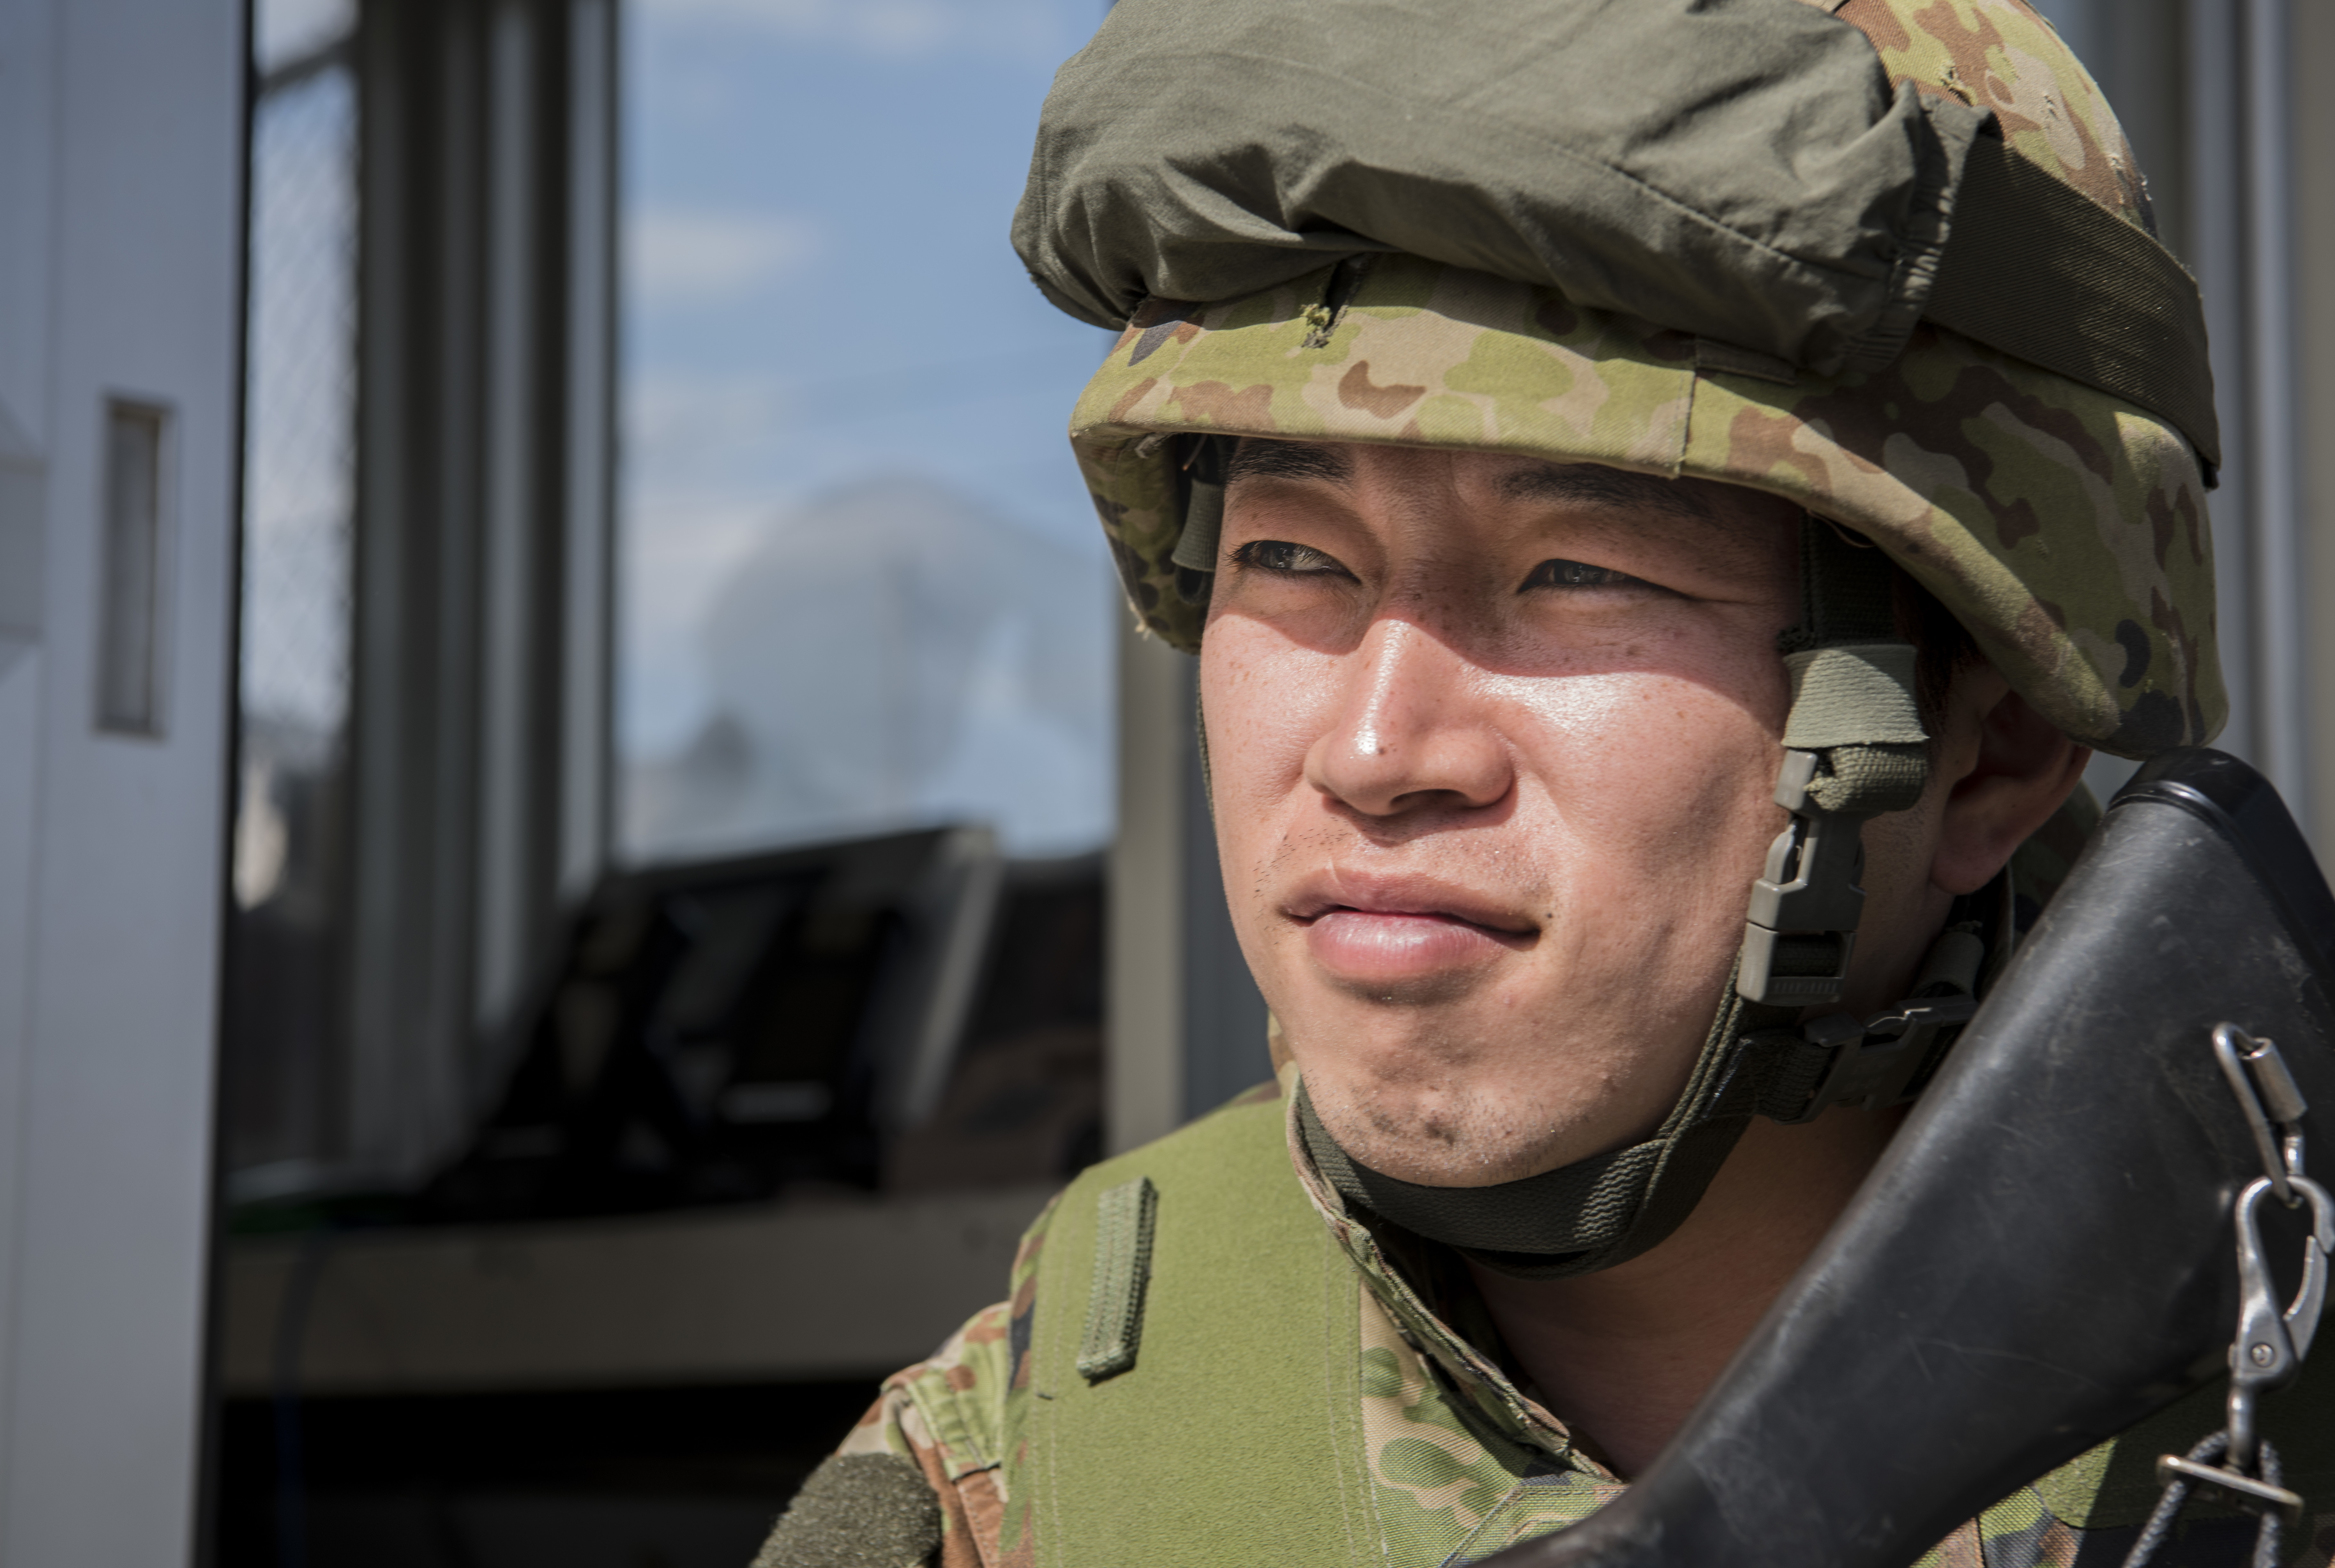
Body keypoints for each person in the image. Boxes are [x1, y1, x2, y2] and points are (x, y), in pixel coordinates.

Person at [754, 1, 2314, 1563]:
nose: (1375, 753)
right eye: (1293, 556)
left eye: (1579, 573)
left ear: (1991, 751)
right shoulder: (1024, 1460)